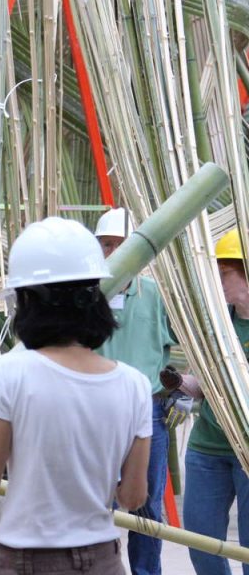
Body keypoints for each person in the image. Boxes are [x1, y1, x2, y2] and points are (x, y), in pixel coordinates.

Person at [0, 217, 152, 575]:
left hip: (27, 562)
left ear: (28, 301)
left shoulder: (10, 373)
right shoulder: (135, 385)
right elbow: (132, 497)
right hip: (104, 560)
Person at [94, 207, 178, 575]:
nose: (114, 253)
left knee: (146, 508)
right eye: (107, 245)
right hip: (96, 415)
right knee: (96, 506)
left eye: (121, 245)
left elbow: (183, 348)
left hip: (149, 413)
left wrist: (182, 391)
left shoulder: (158, 295)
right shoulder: (86, 297)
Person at [184, 228, 249, 575]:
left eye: (224, 274)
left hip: (248, 453)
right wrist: (178, 382)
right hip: (207, 448)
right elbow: (199, 386)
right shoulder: (215, 324)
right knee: (201, 543)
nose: (218, 283)